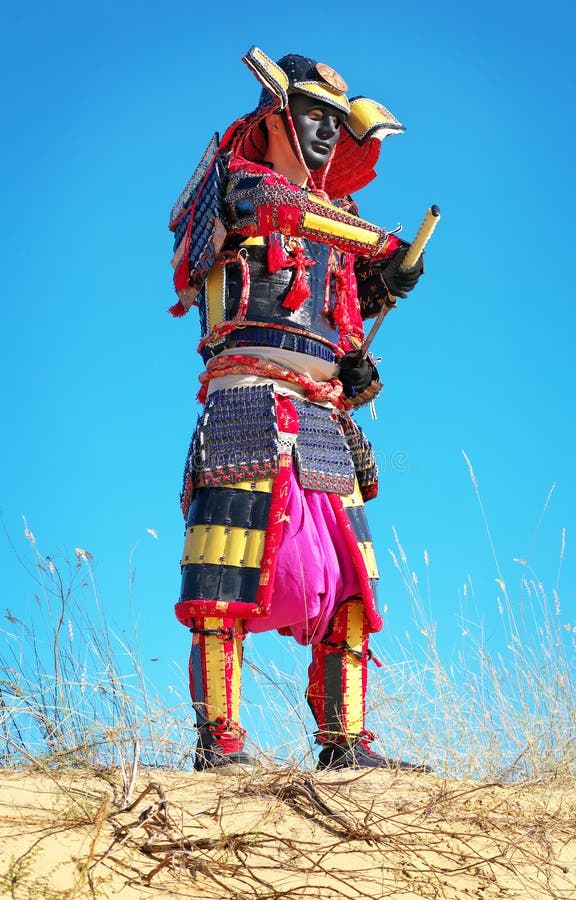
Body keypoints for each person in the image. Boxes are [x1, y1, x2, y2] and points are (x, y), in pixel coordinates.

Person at [169, 47, 427, 772]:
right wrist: (385, 245)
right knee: (225, 574)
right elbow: (286, 210)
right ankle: (219, 744)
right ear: (278, 111)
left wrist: (357, 363)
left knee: (351, 584)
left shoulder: (335, 227)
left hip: (320, 418)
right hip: (247, 404)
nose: (325, 132)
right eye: (314, 115)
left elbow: (345, 338)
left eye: (336, 122)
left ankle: (345, 744)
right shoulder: (242, 186)